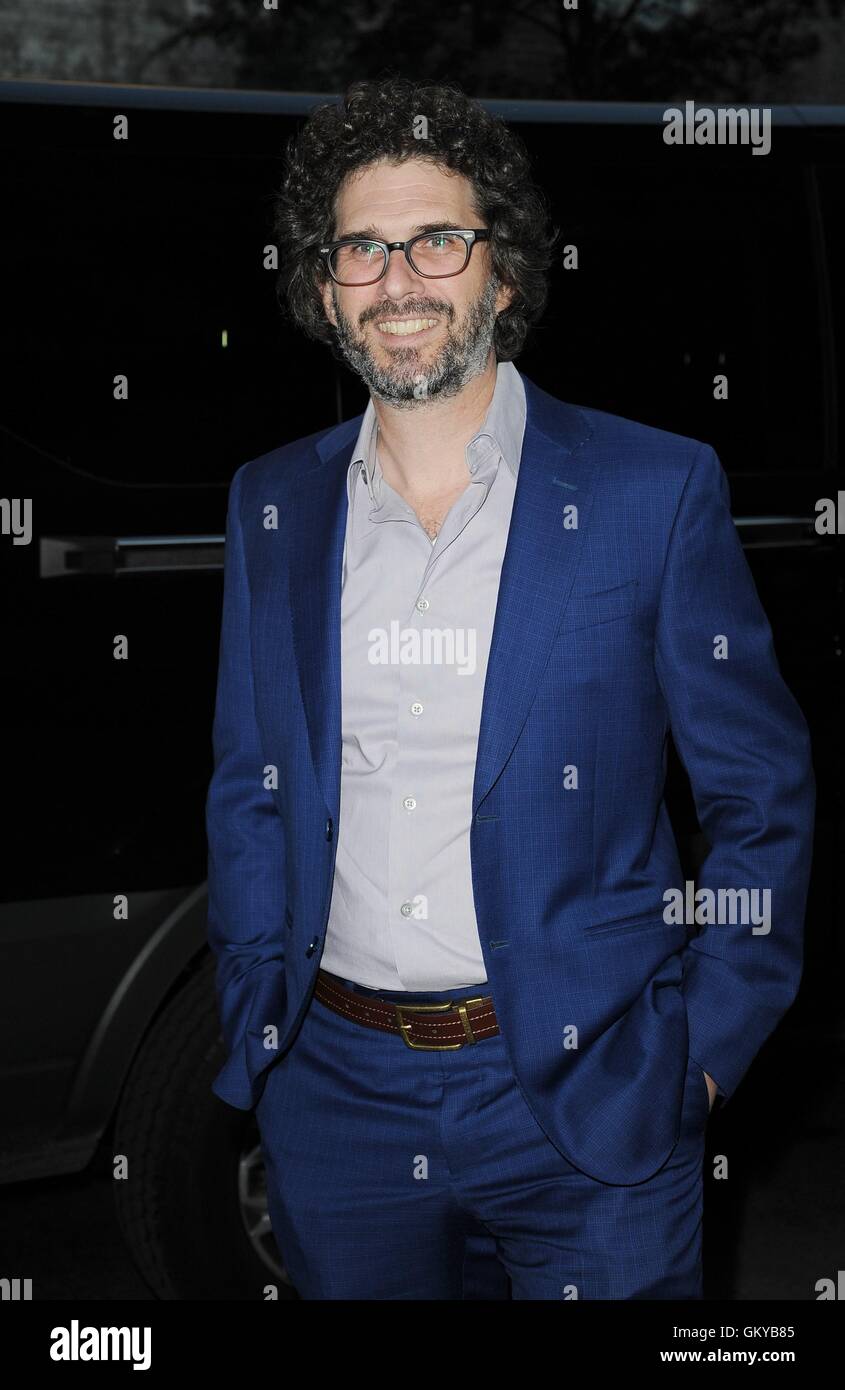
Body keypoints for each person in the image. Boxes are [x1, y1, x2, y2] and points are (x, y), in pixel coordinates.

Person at [205, 76, 815, 1300]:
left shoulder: (652, 489)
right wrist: (256, 1020)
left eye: (437, 240)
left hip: (597, 1095)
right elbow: (248, 784)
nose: (399, 280)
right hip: (338, 1095)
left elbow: (762, 799)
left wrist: (697, 1055)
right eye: (362, 249)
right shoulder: (271, 503)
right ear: (323, 288)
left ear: (502, 271)